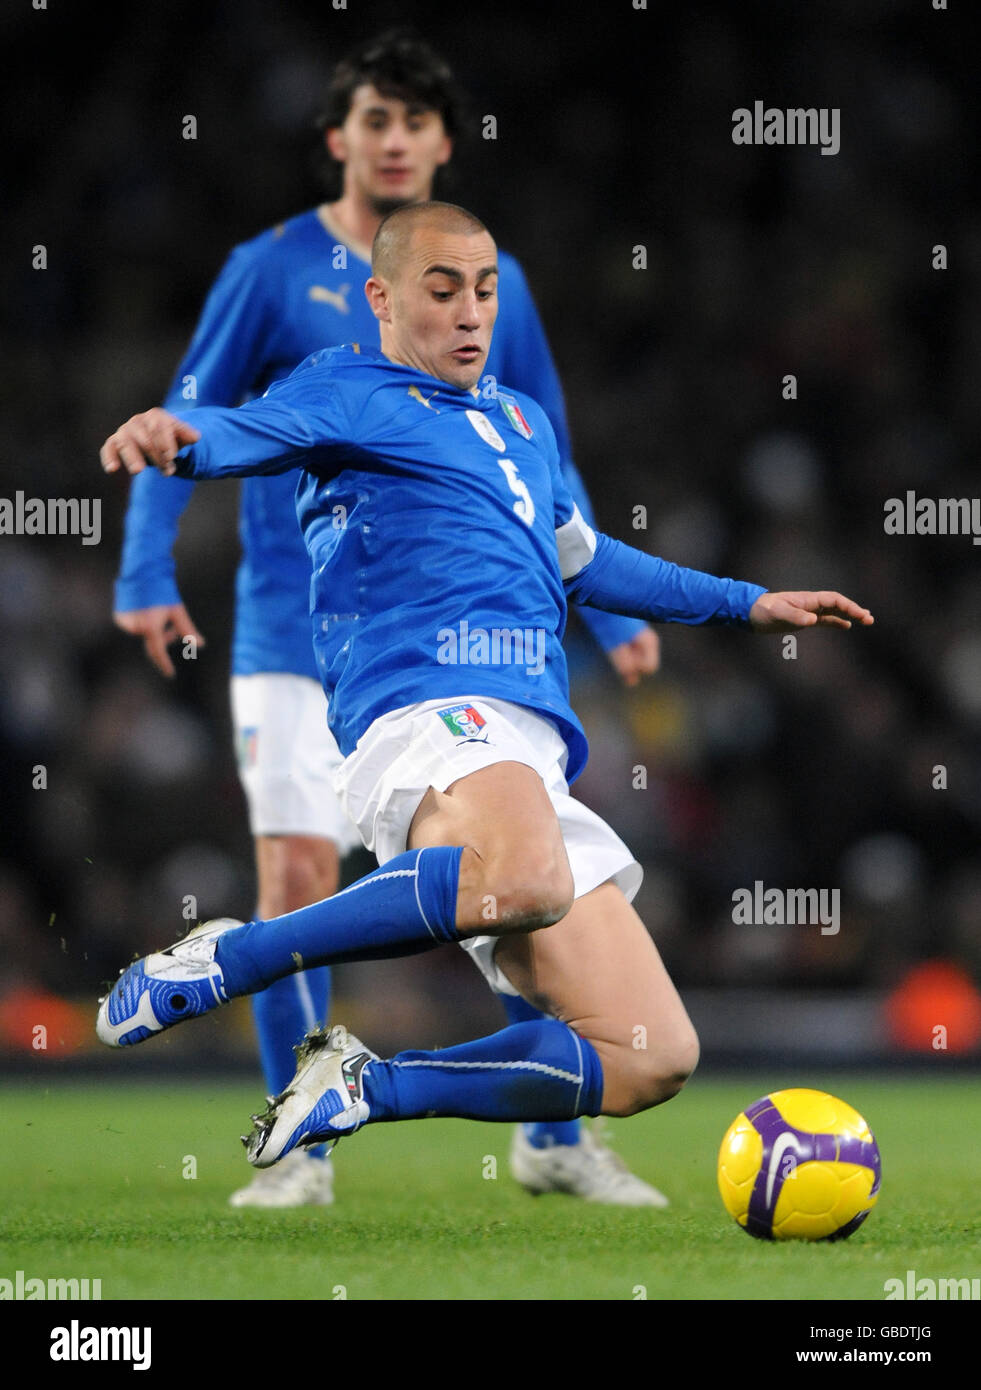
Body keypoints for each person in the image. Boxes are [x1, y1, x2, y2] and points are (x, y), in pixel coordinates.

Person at [98, 202, 873, 1171]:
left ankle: (365, 1085)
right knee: (529, 878)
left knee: (649, 1053)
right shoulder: (349, 388)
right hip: (424, 707)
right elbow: (248, 431)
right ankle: (232, 956)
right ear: (381, 297)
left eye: (485, 289)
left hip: (528, 749)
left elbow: (585, 560)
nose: (470, 312)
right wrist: (182, 437)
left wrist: (748, 602)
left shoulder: (517, 419)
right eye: (442, 289)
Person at [113, 29, 660, 1210]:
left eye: (417, 122)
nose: (396, 139)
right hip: (288, 630)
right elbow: (193, 414)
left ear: (446, 144)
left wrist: (608, 614)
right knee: (301, 866)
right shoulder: (269, 268)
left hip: (450, 639)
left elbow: (543, 470)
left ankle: (548, 1131)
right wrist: (144, 570)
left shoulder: (464, 276)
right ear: (338, 141)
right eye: (375, 120)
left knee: (512, 867)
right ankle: (299, 1151)